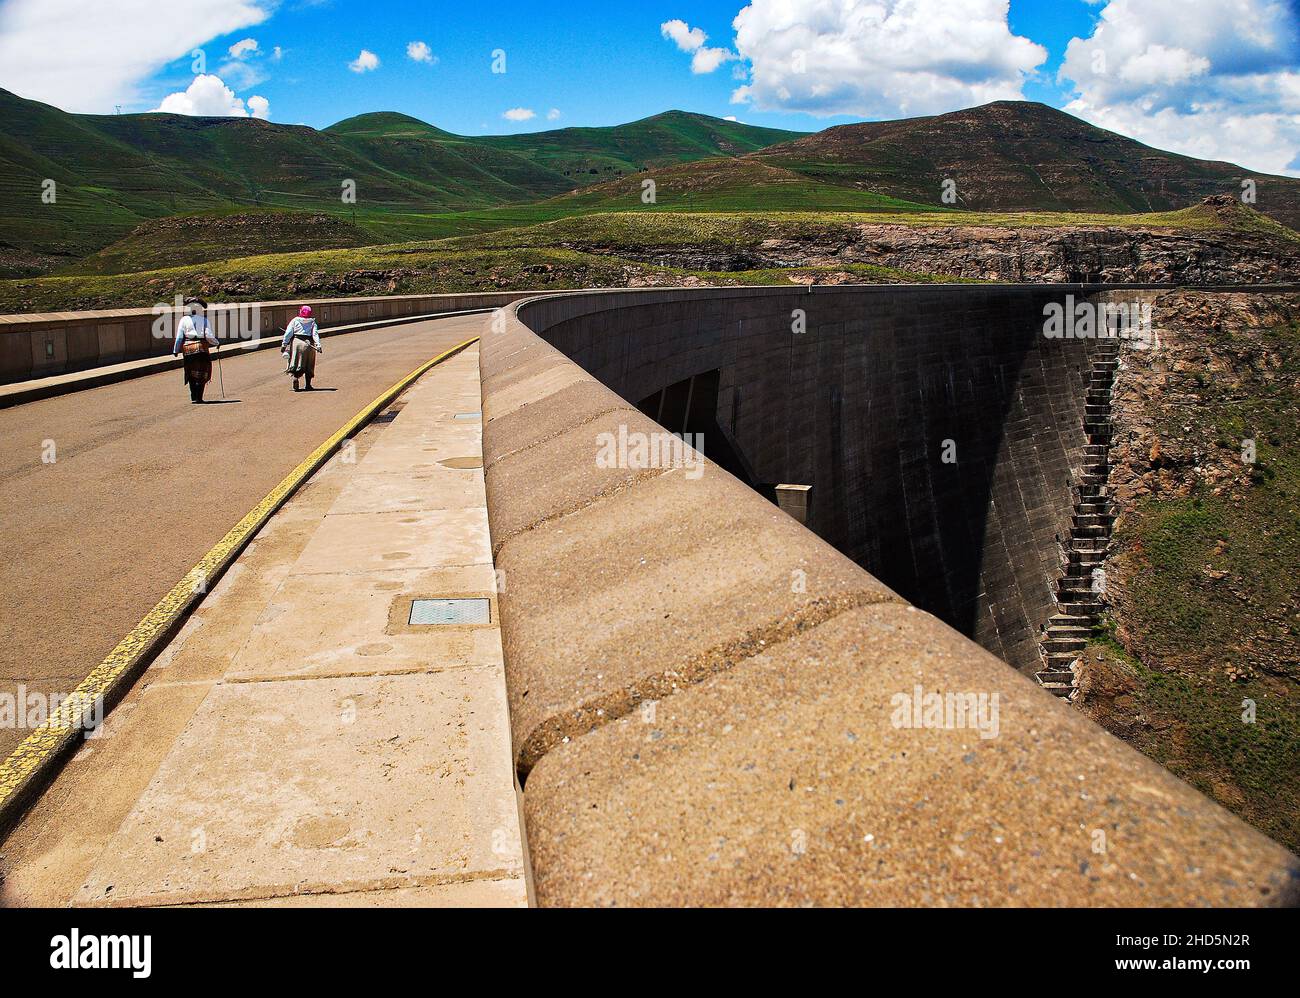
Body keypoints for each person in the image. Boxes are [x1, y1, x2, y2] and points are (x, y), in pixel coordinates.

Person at [172, 297, 219, 403]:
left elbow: (179, 336)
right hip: (201, 347)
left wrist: (175, 350)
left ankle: (193, 397)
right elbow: (208, 336)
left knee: (190, 372)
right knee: (202, 372)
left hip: (188, 347)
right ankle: (199, 397)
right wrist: (217, 343)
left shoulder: (183, 320)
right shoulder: (204, 320)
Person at [281, 305, 323, 391]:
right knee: (309, 363)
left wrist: (284, 344)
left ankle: (295, 377)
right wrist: (318, 345)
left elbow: (288, 333)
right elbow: (315, 334)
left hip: (297, 342)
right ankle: (308, 385)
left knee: (296, 361)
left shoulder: (295, 320)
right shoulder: (312, 322)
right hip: (309, 344)